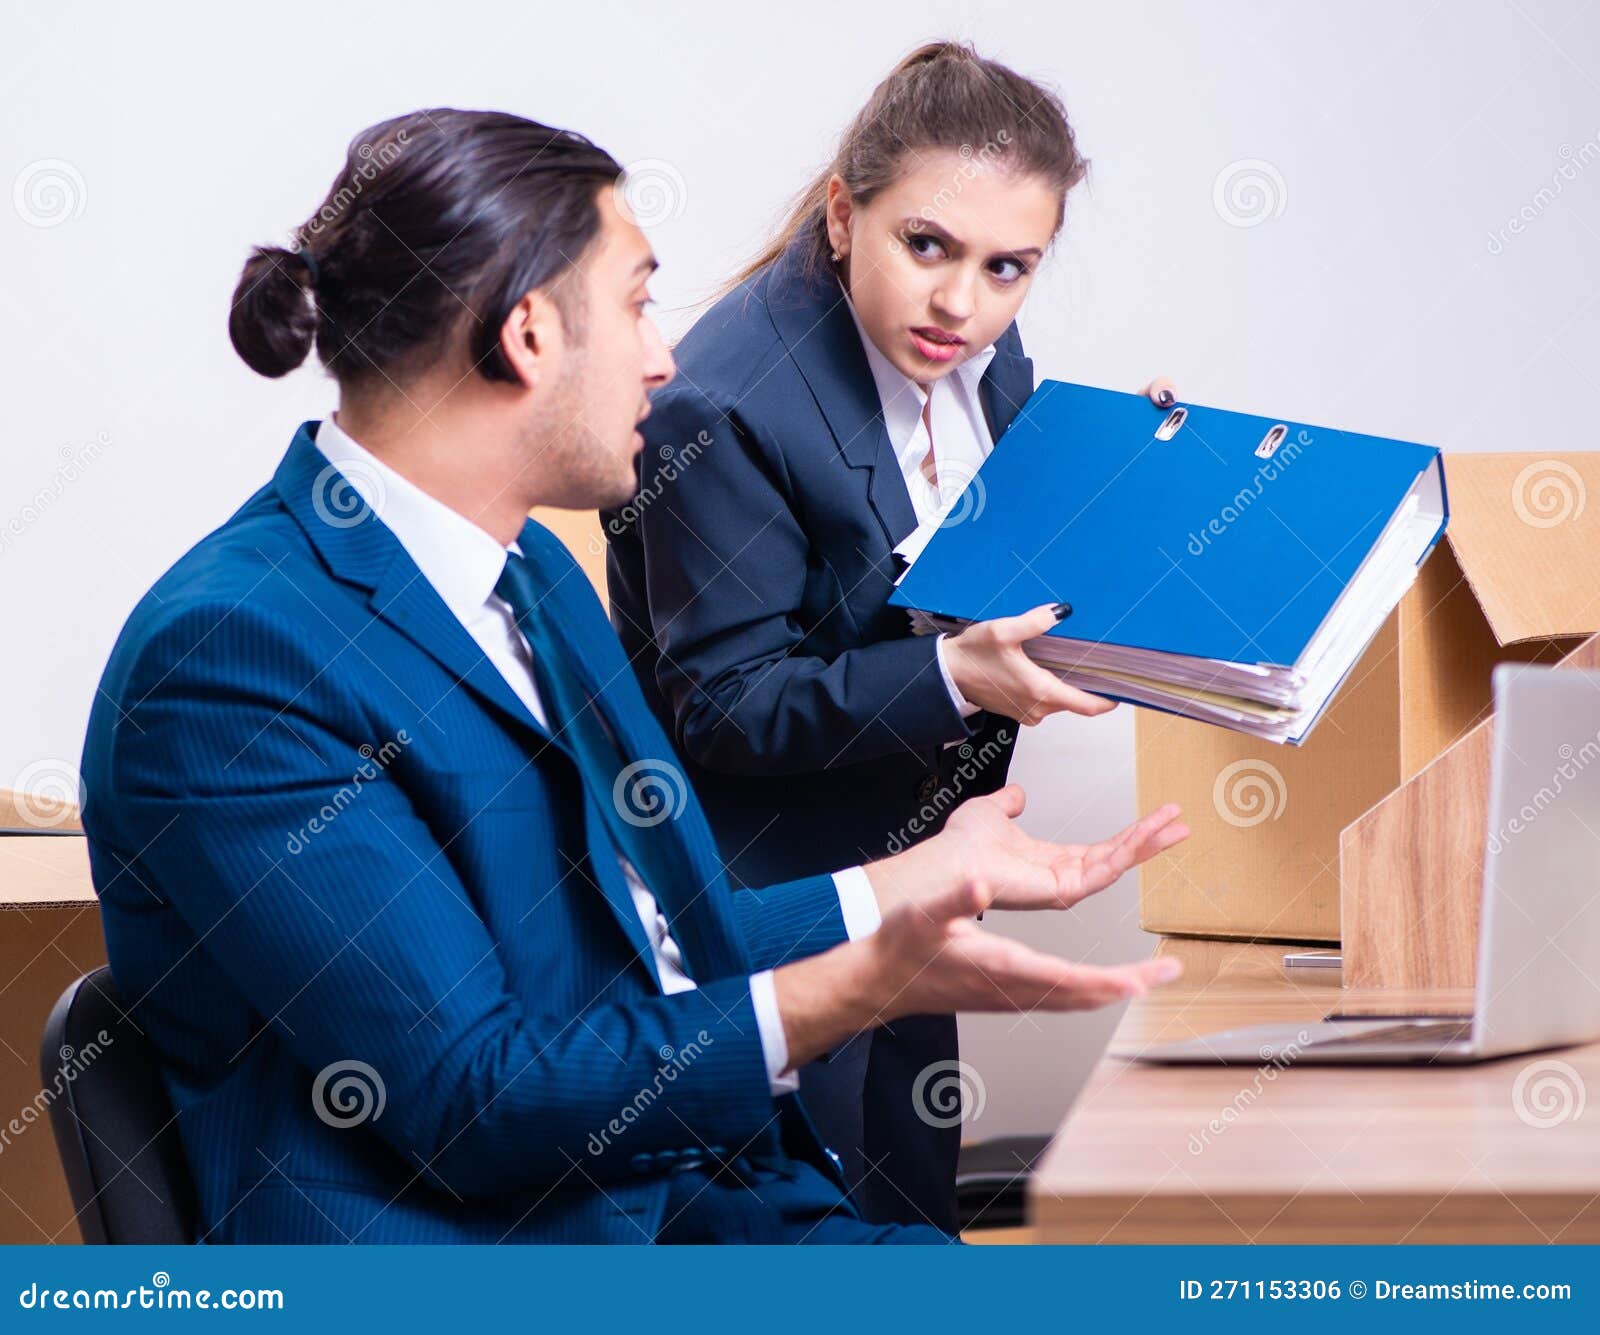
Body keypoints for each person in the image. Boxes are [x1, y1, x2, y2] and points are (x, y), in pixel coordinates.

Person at [79, 107, 1188, 1245]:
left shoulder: (532, 579)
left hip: (692, 1210)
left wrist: (901, 887)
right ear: (528, 338)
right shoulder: (230, 661)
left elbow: (639, 952)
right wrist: (853, 988)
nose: (666, 357)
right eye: (638, 302)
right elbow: (477, 1103)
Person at [604, 41, 1176, 1230]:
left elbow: (981, 533)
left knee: (916, 1225)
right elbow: (724, 703)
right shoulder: (721, 407)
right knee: (828, 1236)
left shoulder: (977, 347)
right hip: (782, 898)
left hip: (917, 866)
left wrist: (1129, 482)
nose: (961, 303)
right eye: (927, 246)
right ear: (839, 214)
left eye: (1007, 266)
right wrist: (952, 678)